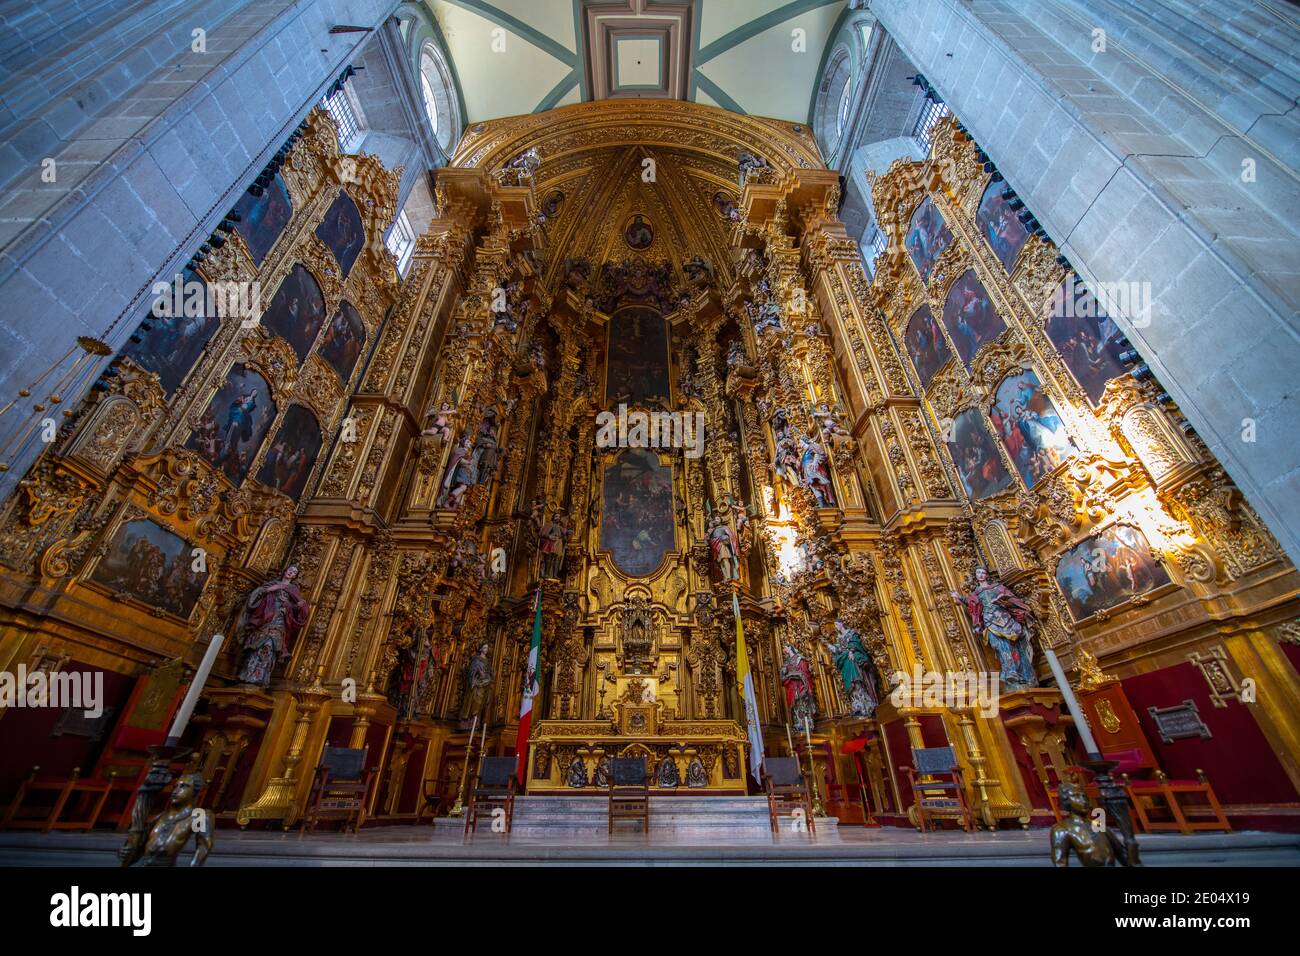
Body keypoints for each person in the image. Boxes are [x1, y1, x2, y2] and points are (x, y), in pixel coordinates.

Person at [951, 567, 1037, 690]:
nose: (980, 575)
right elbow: (972, 605)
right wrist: (959, 597)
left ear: (987, 575)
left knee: (1014, 647)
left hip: (1005, 620)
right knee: (999, 646)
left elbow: (1012, 599)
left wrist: (1004, 602)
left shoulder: (997, 587)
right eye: (978, 573)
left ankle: (1023, 674)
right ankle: (1010, 672)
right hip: (990, 622)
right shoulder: (976, 593)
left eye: (983, 573)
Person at [237, 565, 310, 687]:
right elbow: (255, 598)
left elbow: (297, 609)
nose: (291, 573)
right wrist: (269, 590)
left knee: (270, 647)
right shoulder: (272, 584)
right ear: (285, 571)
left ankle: (261, 678)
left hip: (280, 622)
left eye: (294, 573)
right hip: (265, 618)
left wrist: (295, 606)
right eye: (290, 570)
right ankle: (248, 675)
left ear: (295, 576)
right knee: (256, 646)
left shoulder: (293, 589)